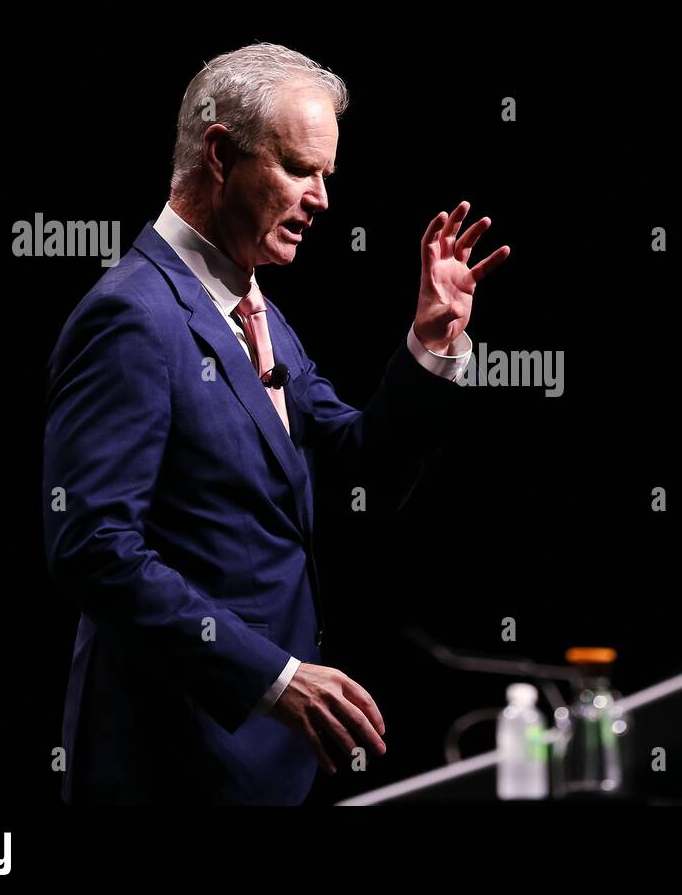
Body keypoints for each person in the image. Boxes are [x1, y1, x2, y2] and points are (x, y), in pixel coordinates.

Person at [42, 43, 511, 804]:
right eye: (300, 169)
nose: (322, 199)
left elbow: (362, 472)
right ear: (222, 155)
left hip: (260, 766)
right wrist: (273, 677)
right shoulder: (132, 317)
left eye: (326, 175)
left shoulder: (259, 314)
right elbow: (91, 547)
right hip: (165, 765)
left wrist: (430, 346)